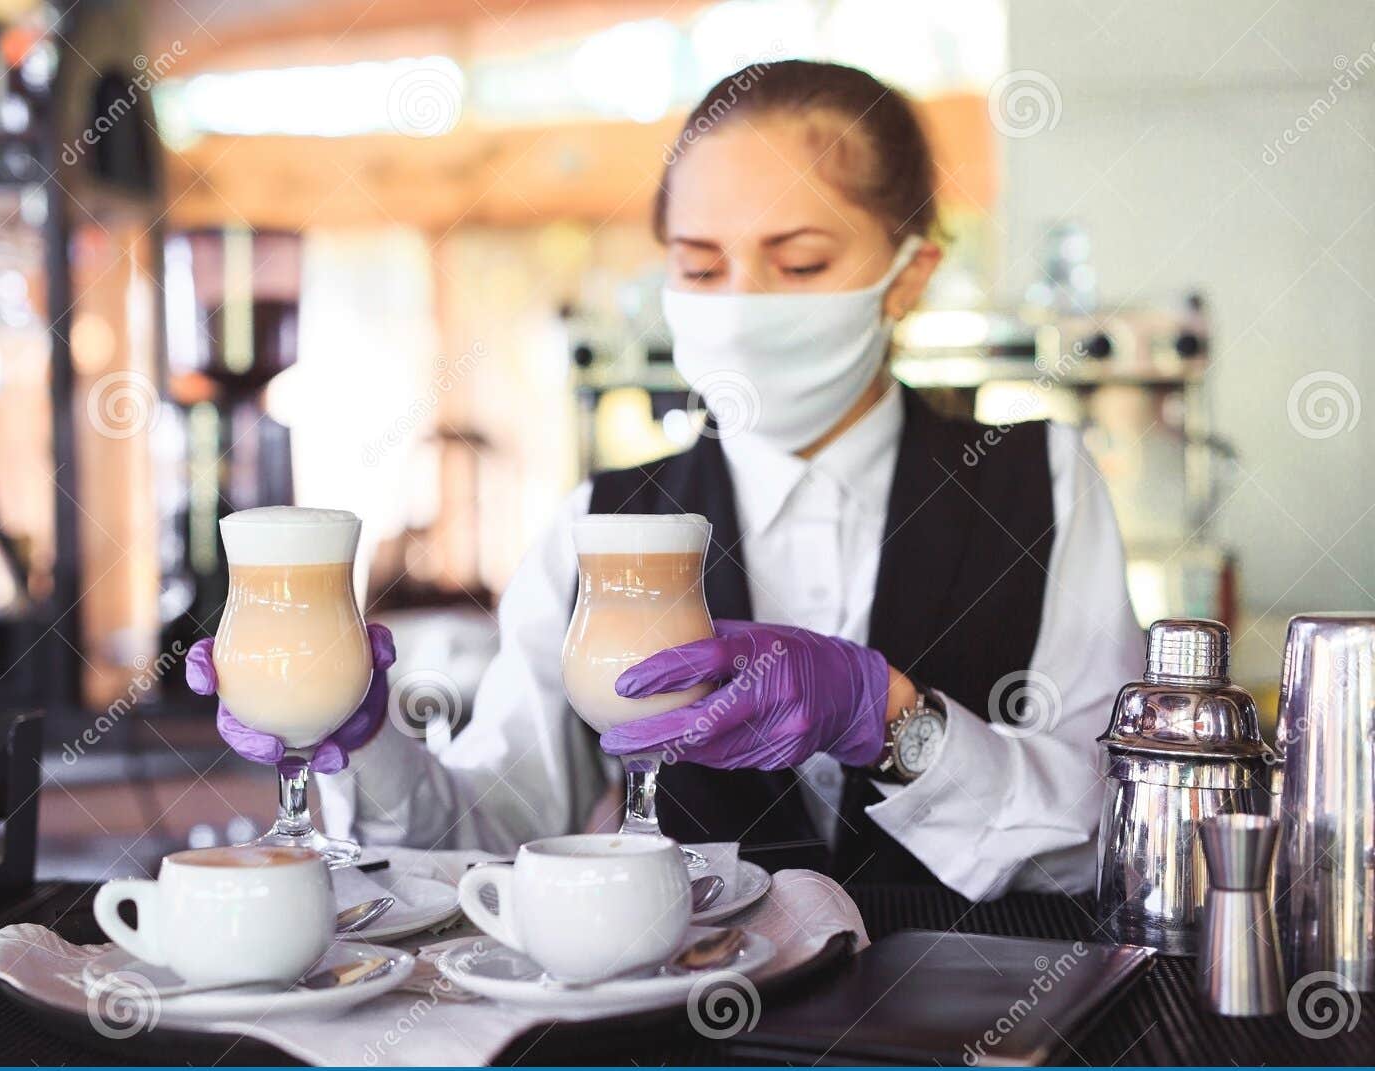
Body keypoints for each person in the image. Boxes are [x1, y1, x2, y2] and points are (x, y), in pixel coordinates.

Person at [186, 60, 1144, 900]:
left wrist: (893, 721)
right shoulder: (599, 522)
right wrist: (368, 744)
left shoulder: (1038, 484)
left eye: (799, 261)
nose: (741, 306)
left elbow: (1111, 840)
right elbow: (486, 832)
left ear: (907, 275)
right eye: (701, 264)